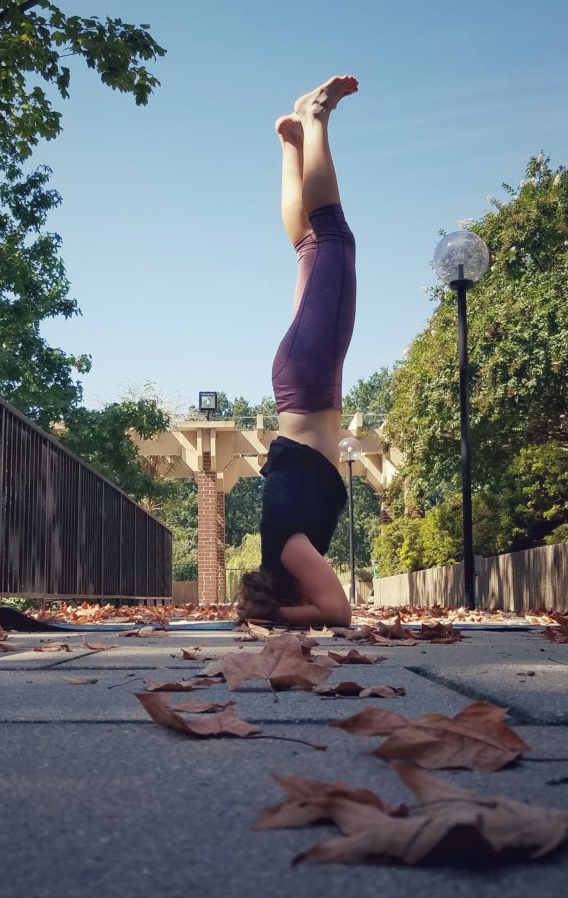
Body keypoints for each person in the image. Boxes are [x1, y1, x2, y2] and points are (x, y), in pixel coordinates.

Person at [234, 75, 359, 628]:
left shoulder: (289, 552)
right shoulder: (279, 545)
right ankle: (289, 142)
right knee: (310, 246)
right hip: (302, 380)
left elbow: (339, 613)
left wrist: (282, 618)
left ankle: (315, 118)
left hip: (308, 383)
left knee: (333, 238)